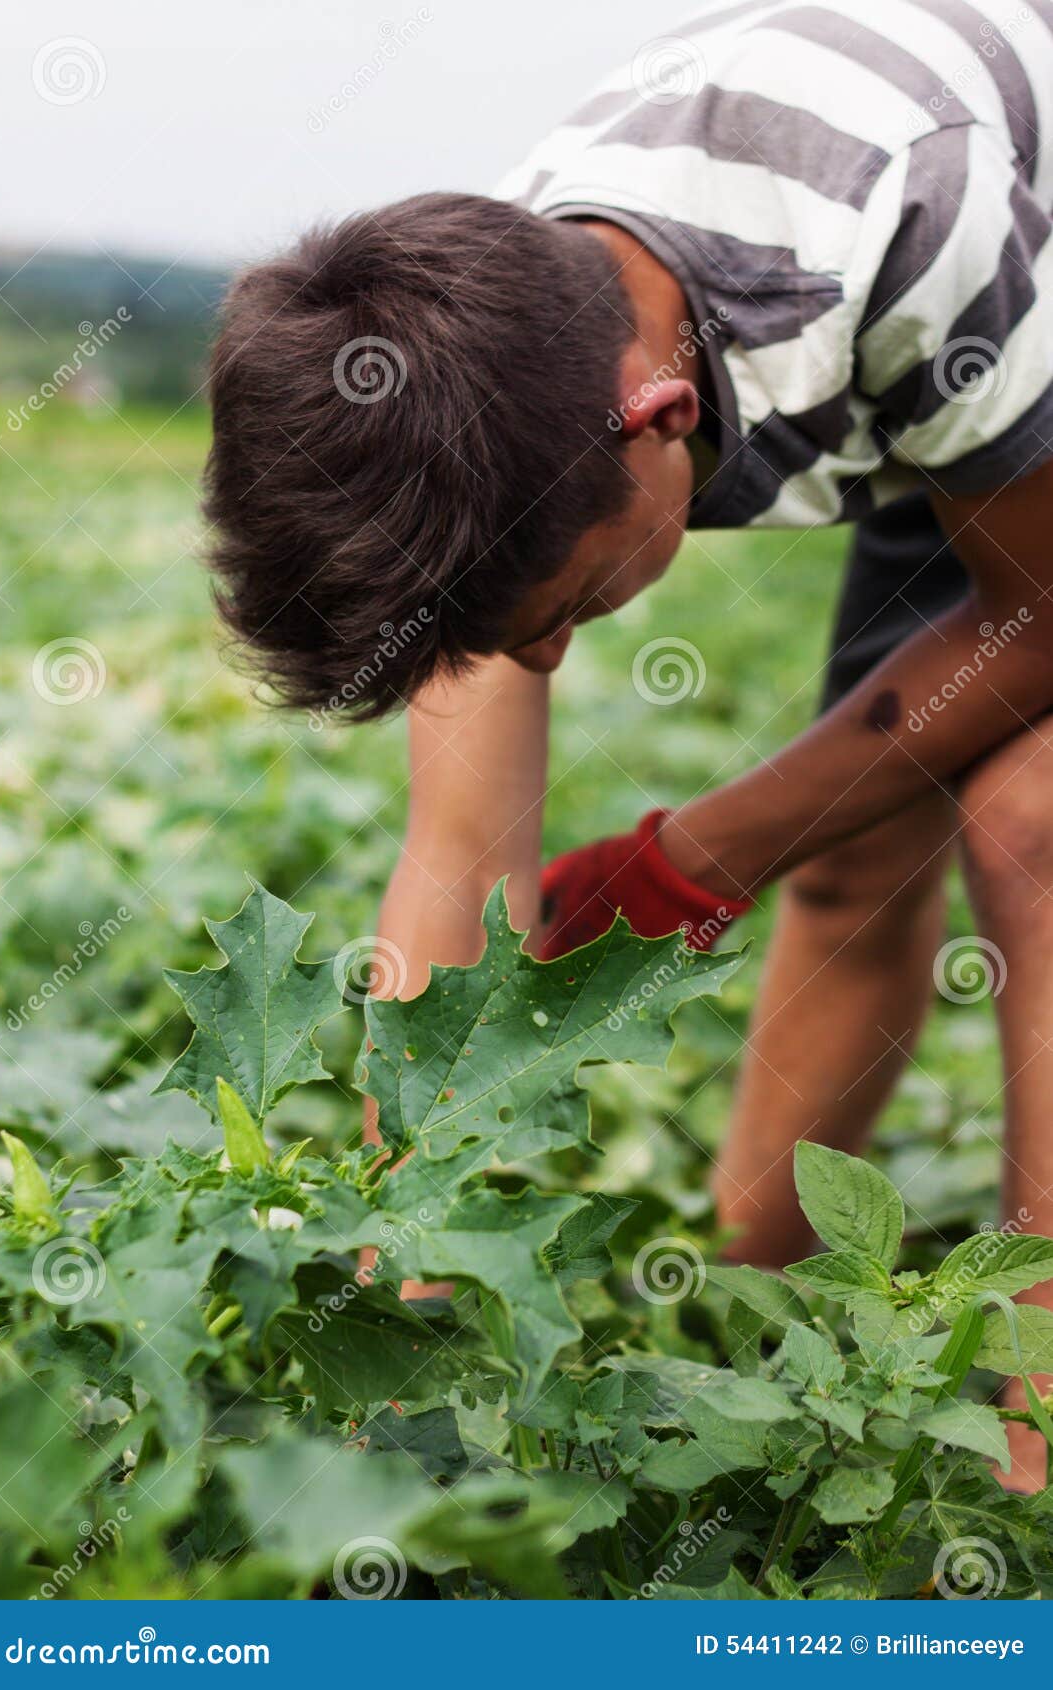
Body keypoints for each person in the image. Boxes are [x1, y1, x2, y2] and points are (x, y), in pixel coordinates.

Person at [204, 1, 1053, 1486]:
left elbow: (1033, 617)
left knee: (1029, 823)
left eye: (567, 608)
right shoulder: (482, 363)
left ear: (660, 418)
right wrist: (409, 1267)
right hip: (943, 389)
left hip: (995, 302)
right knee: (857, 848)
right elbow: (463, 856)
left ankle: (1037, 1420)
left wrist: (695, 854)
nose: (544, 657)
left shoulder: (920, 200)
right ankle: (762, 1313)